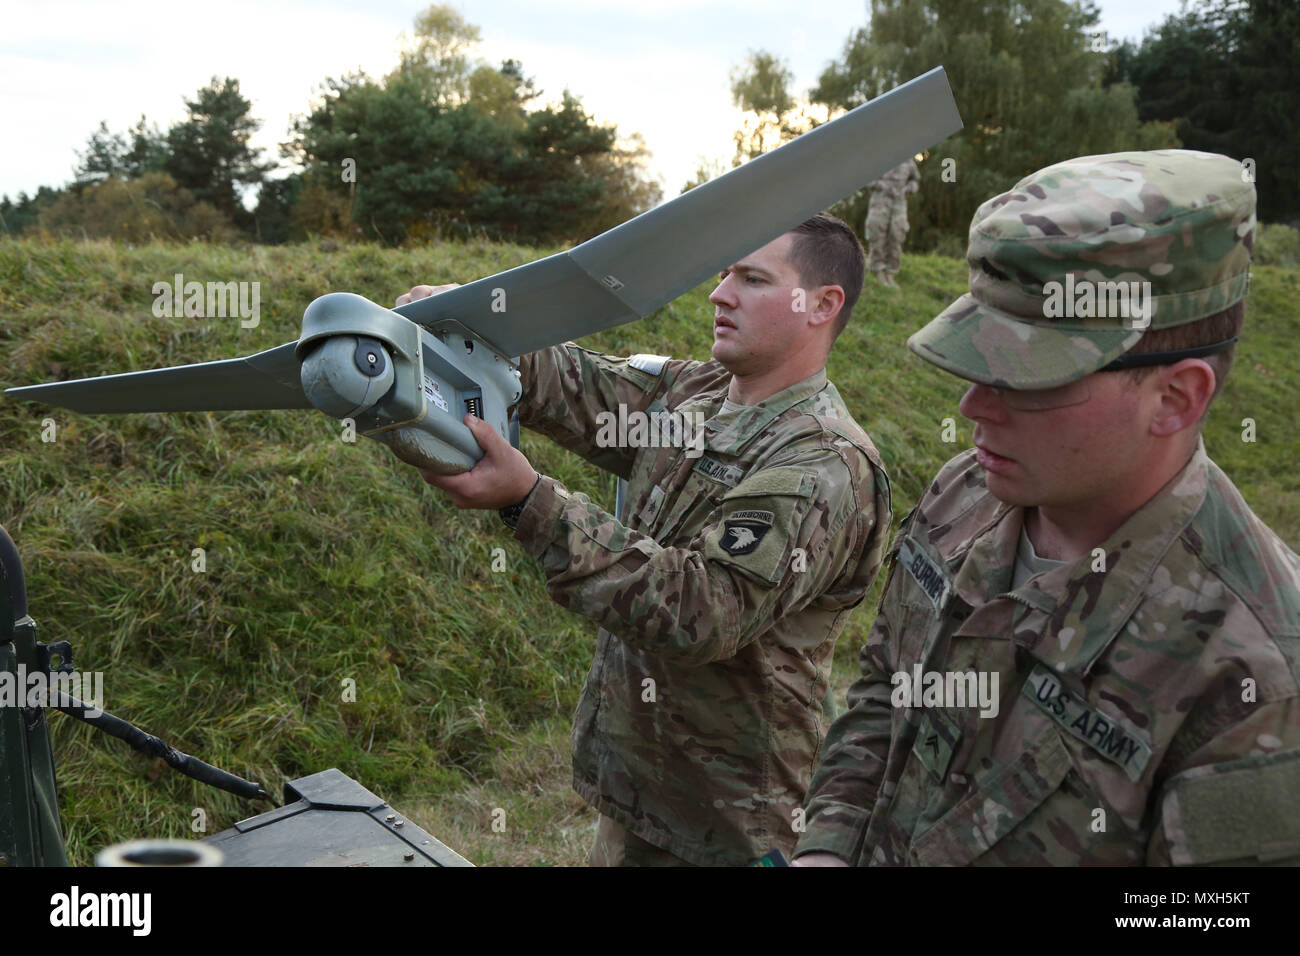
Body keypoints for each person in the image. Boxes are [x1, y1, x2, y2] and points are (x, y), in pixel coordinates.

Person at [793, 150, 1300, 866]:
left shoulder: (1257, 680)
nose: (973, 404)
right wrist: (828, 848)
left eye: (1027, 377)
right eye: (977, 357)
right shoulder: (965, 494)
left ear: (1176, 398)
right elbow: (884, 693)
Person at [398, 213, 892, 866]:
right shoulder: (698, 393)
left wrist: (529, 502)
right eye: (722, 274)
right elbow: (584, 388)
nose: (720, 294)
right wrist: (469, 335)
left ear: (821, 305)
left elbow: (703, 610)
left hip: (733, 827)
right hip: (640, 792)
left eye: (750, 278)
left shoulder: (824, 463)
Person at [864, 158, 920, 287]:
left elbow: (915, 180)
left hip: (899, 202)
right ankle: (877, 269)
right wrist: (879, 185)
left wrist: (909, 188)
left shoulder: (908, 161)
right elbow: (865, 178)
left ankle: (890, 271)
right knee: (876, 232)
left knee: (896, 234)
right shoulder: (881, 156)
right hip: (881, 199)